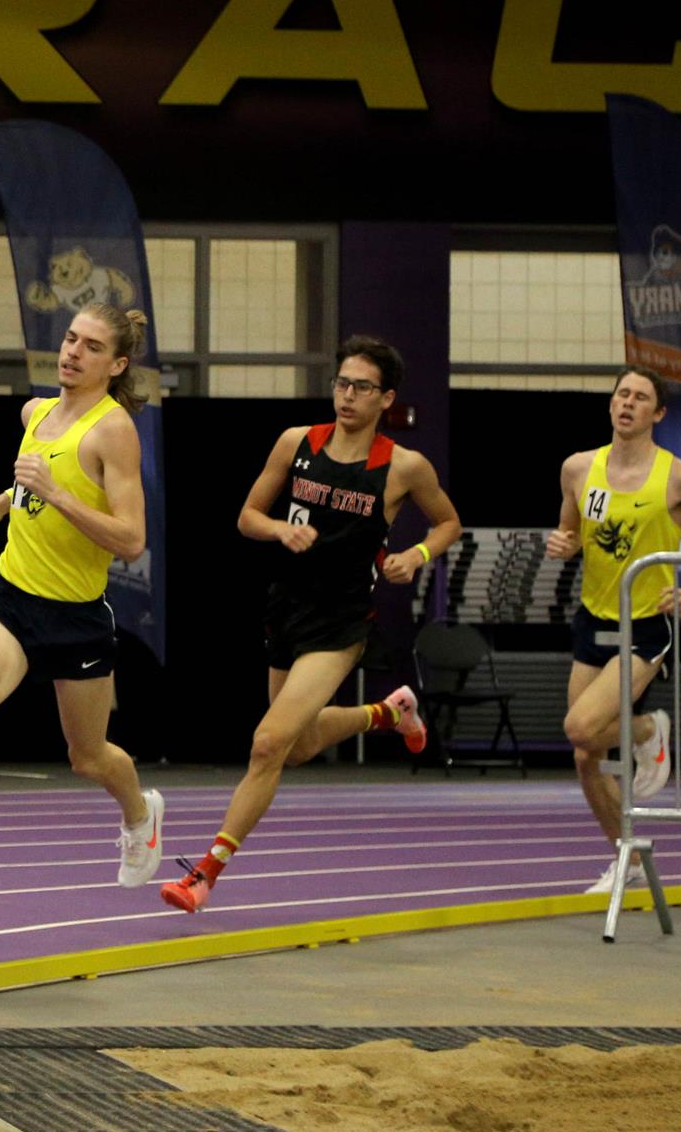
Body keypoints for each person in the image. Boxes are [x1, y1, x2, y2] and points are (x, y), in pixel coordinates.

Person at [161, 335, 461, 914]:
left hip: (342, 621)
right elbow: (247, 516)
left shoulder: (403, 467)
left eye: (362, 387)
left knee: (268, 742)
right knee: (294, 749)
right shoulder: (296, 443)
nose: (347, 396)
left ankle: (205, 873)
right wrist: (280, 530)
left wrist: (417, 556)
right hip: (287, 609)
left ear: (386, 398)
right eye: (341, 383)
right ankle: (389, 713)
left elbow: (448, 522)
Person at [0, 306, 163, 939]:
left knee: (89, 755)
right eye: (71, 338)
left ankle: (139, 814)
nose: (72, 351)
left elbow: (130, 540)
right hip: (14, 599)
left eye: (91, 346)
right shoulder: (36, 413)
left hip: (76, 617)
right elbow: (31, 490)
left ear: (116, 364)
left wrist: (57, 491)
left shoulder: (114, 430)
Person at [546, 366, 681, 892]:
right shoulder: (577, 468)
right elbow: (570, 531)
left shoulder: (680, 476)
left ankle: (650, 728)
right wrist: (564, 543)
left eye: (641, 398)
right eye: (622, 394)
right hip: (593, 618)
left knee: (580, 729)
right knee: (586, 756)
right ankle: (627, 858)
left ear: (657, 414)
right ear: (611, 404)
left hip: (646, 623)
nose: (628, 403)